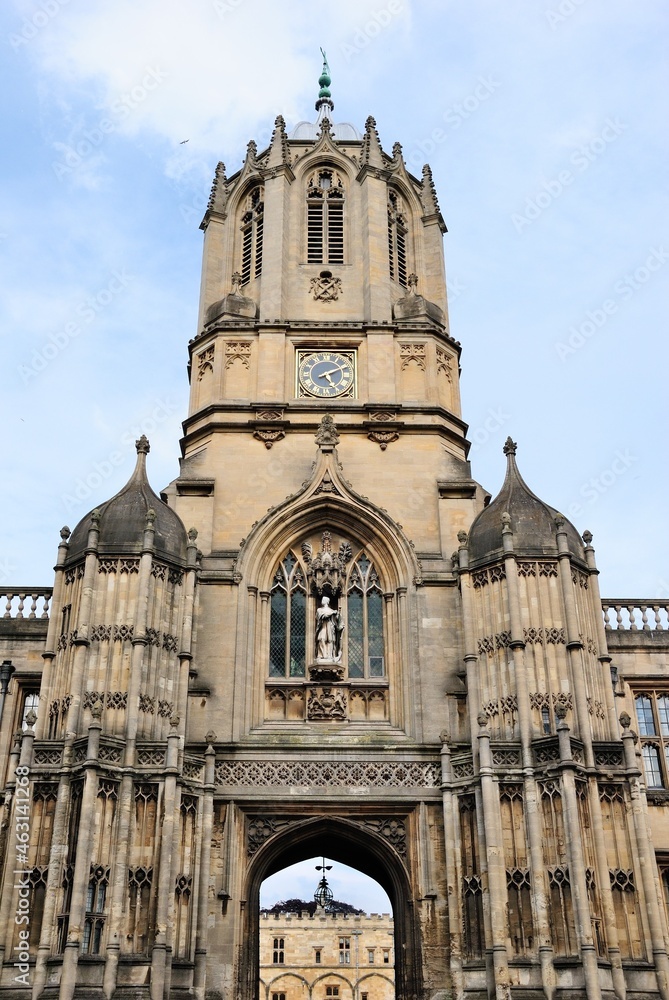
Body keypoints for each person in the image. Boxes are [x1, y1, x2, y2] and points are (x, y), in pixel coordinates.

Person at [315, 596, 344, 661]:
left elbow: (336, 620)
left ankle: (330, 656)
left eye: (323, 599)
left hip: (330, 627)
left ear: (327, 601)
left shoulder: (331, 610)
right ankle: (322, 655)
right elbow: (321, 616)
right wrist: (333, 613)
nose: (322, 600)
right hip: (323, 626)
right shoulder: (319, 610)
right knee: (321, 638)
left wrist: (338, 615)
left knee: (330, 640)